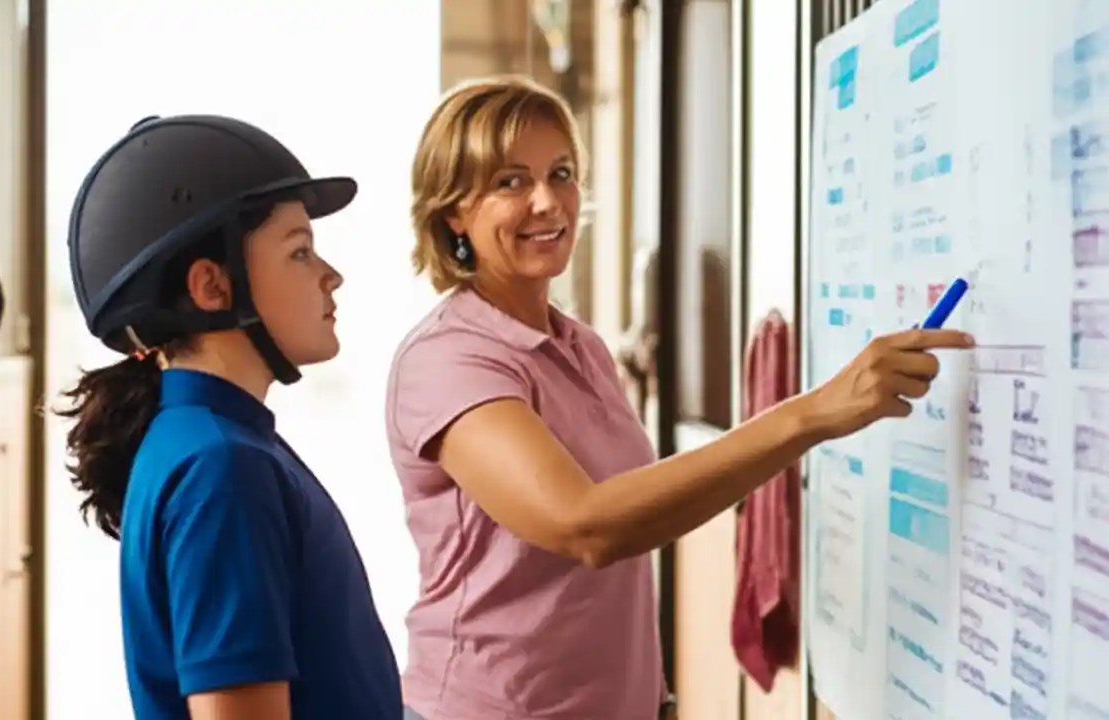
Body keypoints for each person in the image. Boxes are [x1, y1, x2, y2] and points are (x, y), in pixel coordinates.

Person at [385, 75, 973, 719]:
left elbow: (626, 537)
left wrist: (652, 694)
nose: (548, 202)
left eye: (561, 173)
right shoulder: (447, 359)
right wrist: (810, 415)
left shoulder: (580, 347)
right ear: (452, 212)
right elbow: (584, 526)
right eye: (510, 182)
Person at [57, 114, 402, 720]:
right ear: (212, 286)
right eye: (299, 252)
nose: (331, 276)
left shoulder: (213, 441)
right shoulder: (222, 467)